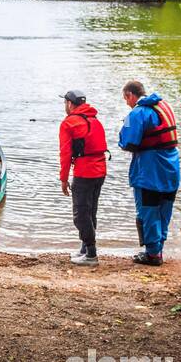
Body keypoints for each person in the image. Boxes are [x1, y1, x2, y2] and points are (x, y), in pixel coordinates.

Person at [117, 80, 181, 266]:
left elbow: (128, 143)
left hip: (149, 172)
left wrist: (123, 130)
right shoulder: (164, 106)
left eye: (125, 99)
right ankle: (158, 249)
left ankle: (152, 254)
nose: (127, 103)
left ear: (130, 95)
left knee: (148, 212)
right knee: (164, 212)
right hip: (171, 170)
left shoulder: (137, 113)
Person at [58, 89, 108, 266]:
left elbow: (65, 154)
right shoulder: (95, 120)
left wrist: (63, 179)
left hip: (85, 172)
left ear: (70, 104)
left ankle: (91, 254)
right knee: (90, 211)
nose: (65, 106)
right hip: (100, 171)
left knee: (80, 215)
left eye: (65, 103)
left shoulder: (69, 123)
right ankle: (85, 248)